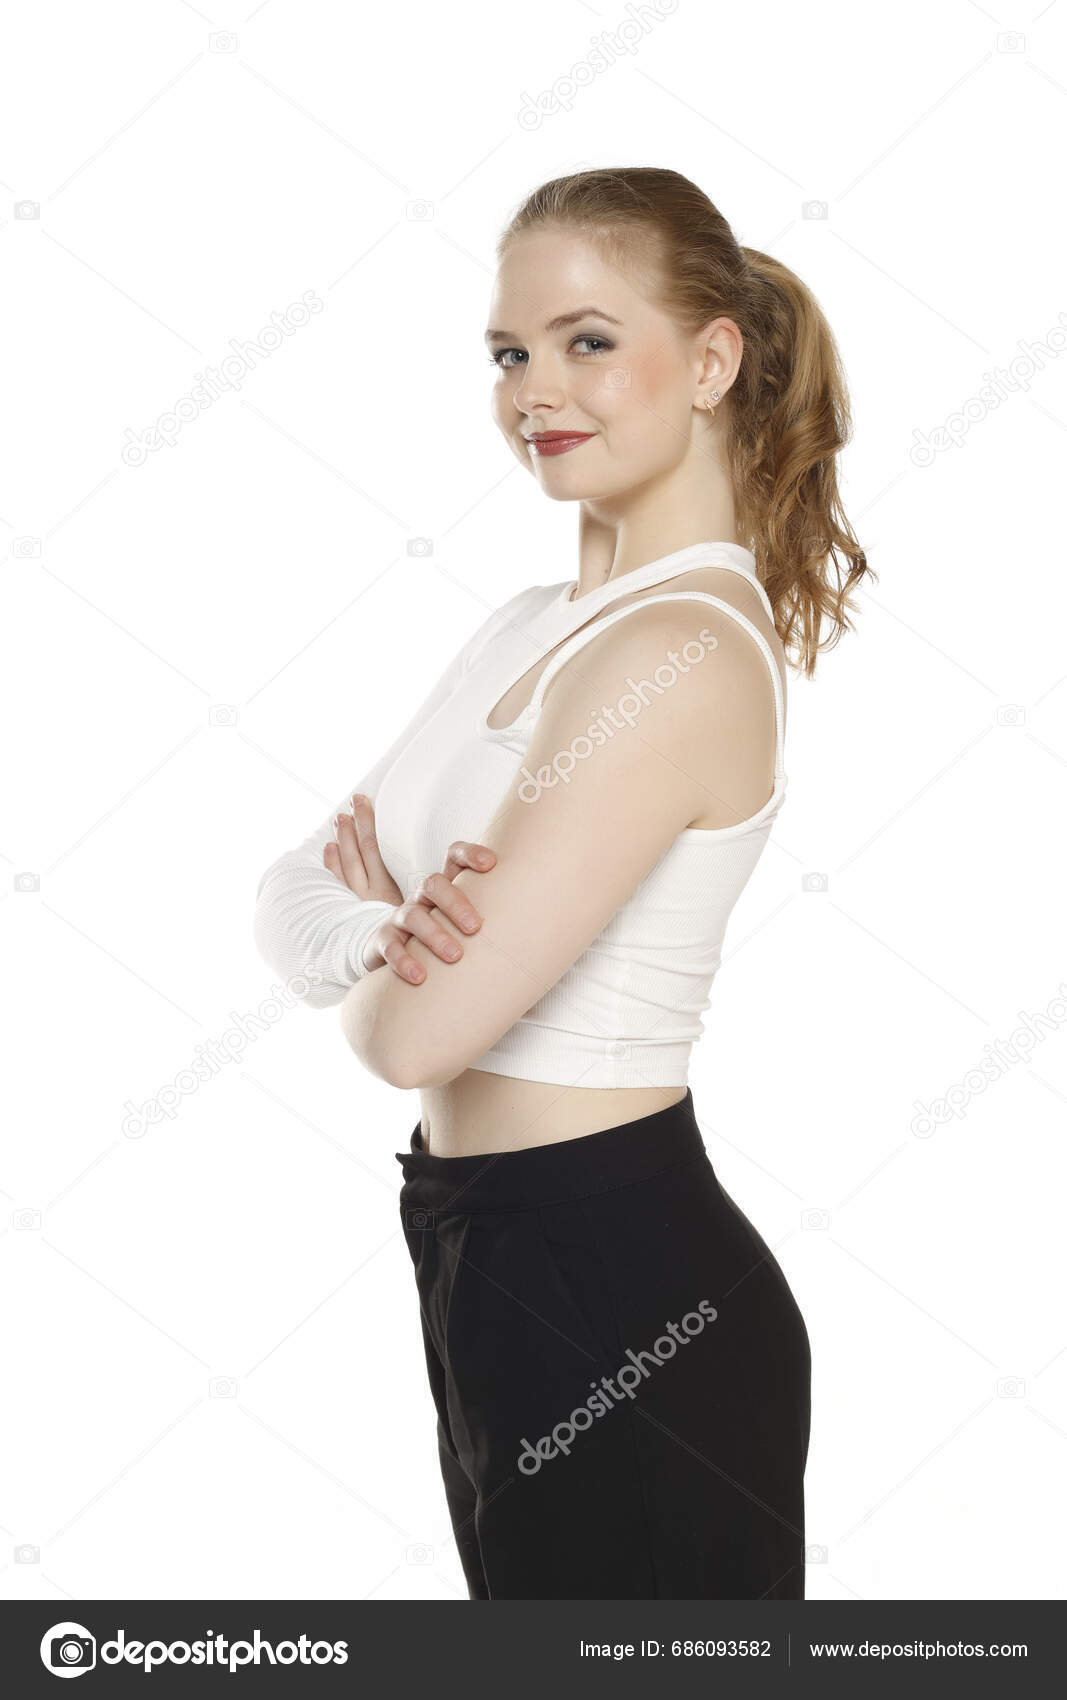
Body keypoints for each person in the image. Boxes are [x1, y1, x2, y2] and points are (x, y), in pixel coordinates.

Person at [254, 166, 870, 1600]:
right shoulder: (534, 624)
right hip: (484, 1258)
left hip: (619, 1282)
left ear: (712, 358)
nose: (537, 387)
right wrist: (380, 932)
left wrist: (372, 953)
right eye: (509, 351)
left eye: (589, 339)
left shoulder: (677, 653)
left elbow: (413, 1035)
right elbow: (292, 880)